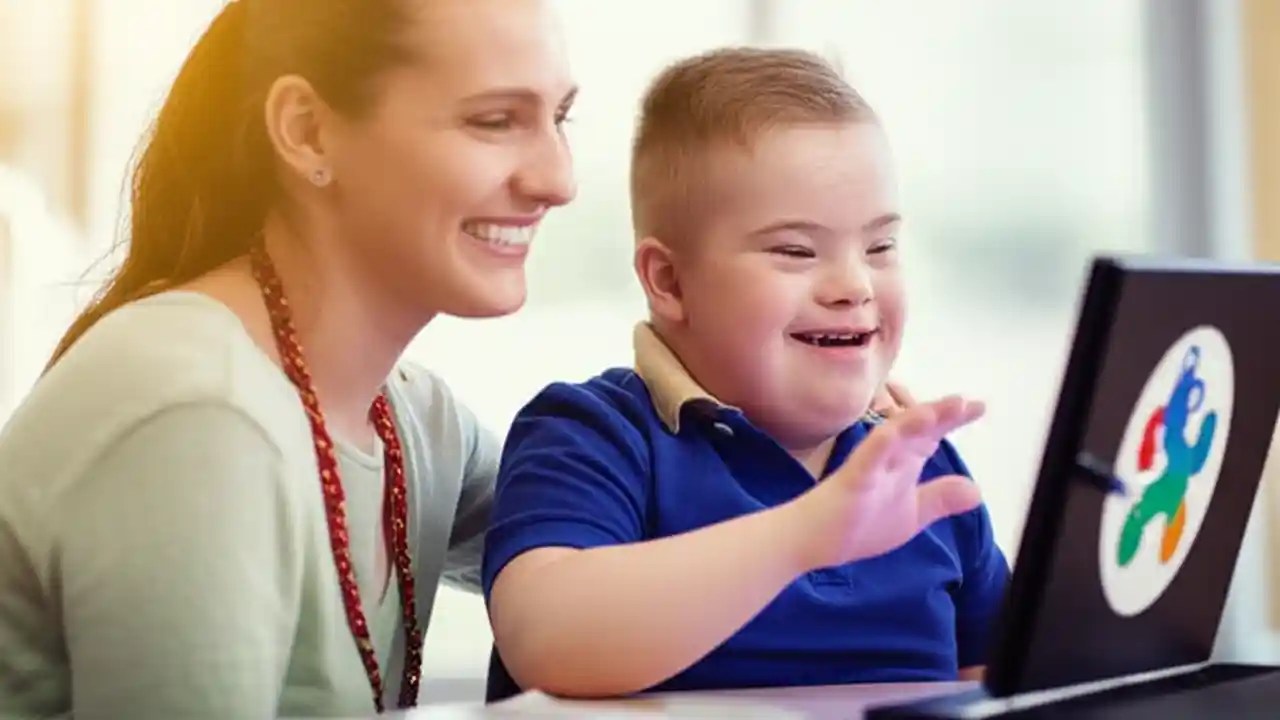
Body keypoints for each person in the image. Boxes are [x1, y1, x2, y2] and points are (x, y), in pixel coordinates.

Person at [0, 0, 576, 717]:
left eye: (561, 119)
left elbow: (612, 554)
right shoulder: (197, 415)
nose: (560, 180)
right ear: (307, 132)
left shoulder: (416, 422)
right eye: (494, 120)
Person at [482, 47, 1010, 699]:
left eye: (880, 247)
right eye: (795, 250)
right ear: (670, 281)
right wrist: (804, 533)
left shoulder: (926, 470)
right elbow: (546, 639)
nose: (853, 284)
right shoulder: (594, 433)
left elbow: (1004, 686)